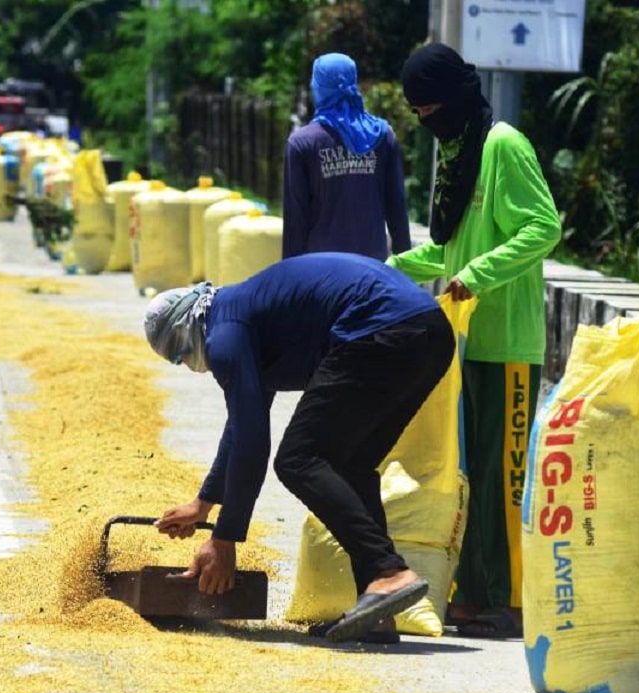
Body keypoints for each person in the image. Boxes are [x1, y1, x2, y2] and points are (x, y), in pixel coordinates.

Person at [142, 252, 455, 643]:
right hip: (428, 332)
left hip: (378, 328)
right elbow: (242, 426)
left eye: (179, 355)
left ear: (187, 329)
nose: (188, 365)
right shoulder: (243, 316)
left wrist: (225, 538)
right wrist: (204, 503)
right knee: (350, 466)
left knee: (298, 460)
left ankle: (389, 573)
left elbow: (254, 445)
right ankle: (378, 611)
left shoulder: (223, 336)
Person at [387, 43, 562, 639]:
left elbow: (543, 228)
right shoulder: (457, 152)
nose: (426, 120)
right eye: (416, 112)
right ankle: (472, 591)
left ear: (456, 97)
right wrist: (392, 267)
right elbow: (450, 249)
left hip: (508, 342)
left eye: (431, 106)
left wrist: (476, 277)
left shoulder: (503, 145)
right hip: (466, 342)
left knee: (505, 476)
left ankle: (510, 600)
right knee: (471, 474)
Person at [282, 53, 411, 261]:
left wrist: (289, 283)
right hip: (372, 271)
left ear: (319, 87)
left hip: (321, 274)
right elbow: (397, 209)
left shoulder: (301, 143)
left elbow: (295, 222)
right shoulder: (382, 135)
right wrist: (406, 271)